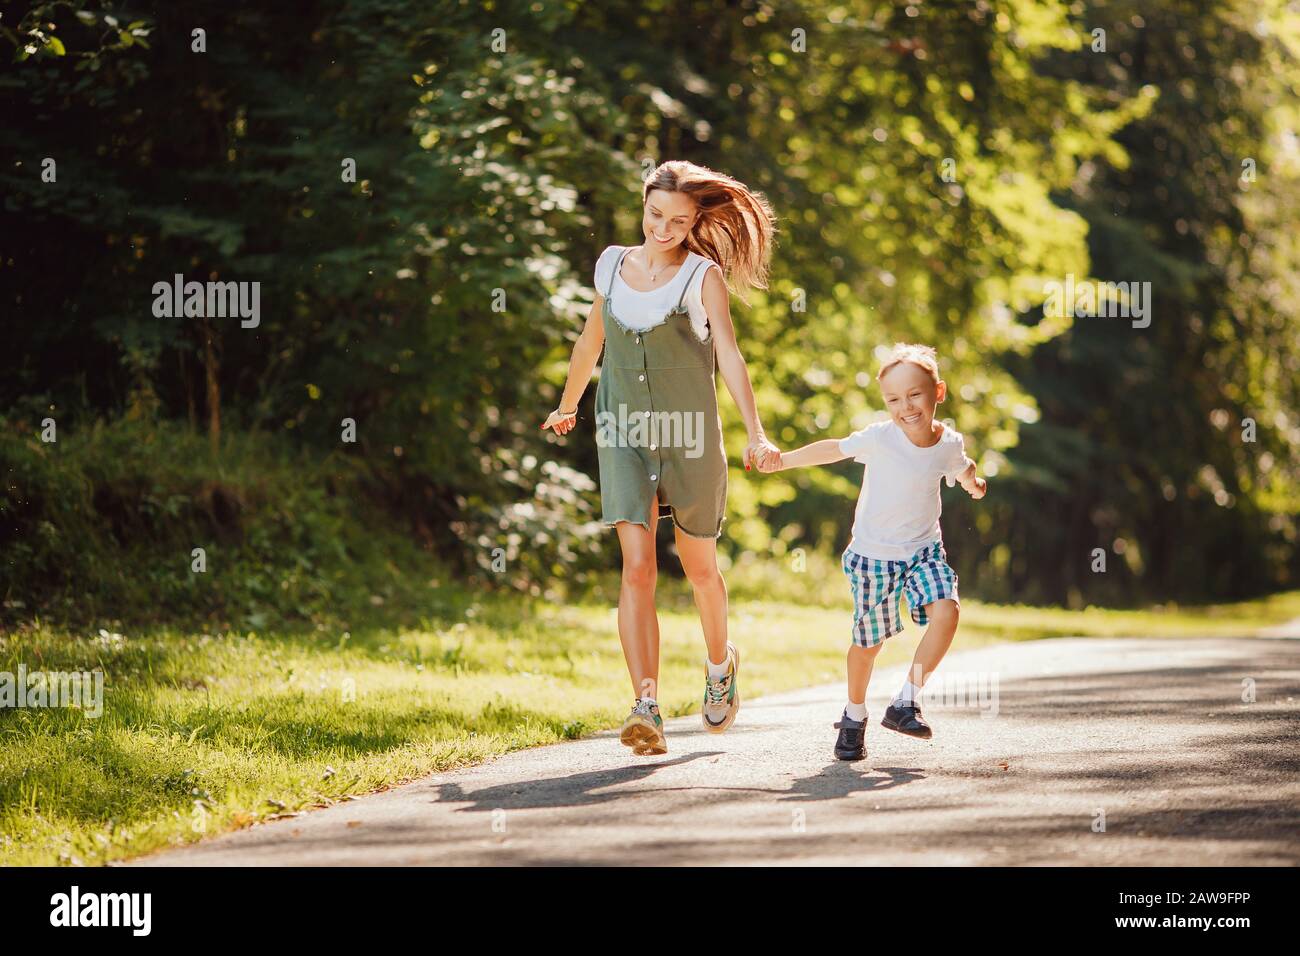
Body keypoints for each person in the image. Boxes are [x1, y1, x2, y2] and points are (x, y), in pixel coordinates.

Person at [542, 160, 778, 756]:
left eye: (678, 220)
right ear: (643, 204)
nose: (663, 228)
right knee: (637, 567)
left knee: (698, 568)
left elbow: (729, 353)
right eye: (655, 214)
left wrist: (757, 432)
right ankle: (645, 704)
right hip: (623, 430)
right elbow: (591, 339)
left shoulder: (702, 277)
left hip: (690, 434)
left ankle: (720, 665)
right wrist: (569, 403)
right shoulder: (610, 265)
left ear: (695, 220)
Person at [757, 343, 987, 761]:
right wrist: (783, 460)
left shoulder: (948, 442)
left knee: (948, 611)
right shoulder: (881, 438)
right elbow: (833, 448)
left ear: (938, 391)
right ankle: (854, 715)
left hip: (923, 552)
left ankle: (905, 702)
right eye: (893, 400)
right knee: (868, 644)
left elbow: (962, 465)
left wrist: (973, 483)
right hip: (874, 557)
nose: (905, 407)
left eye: (914, 395)